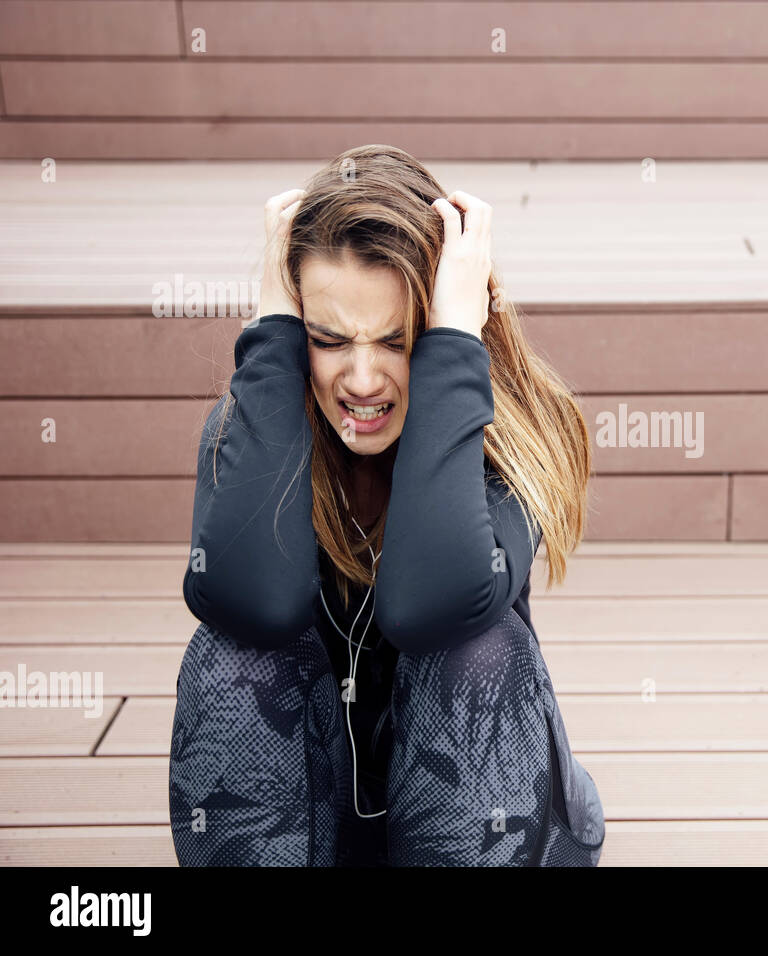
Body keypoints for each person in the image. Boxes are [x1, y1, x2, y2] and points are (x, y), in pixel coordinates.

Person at [169, 145, 606, 866]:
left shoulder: (516, 433)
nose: (363, 379)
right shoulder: (254, 423)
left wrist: (454, 350)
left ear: (447, 326)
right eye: (327, 338)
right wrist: (273, 339)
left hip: (484, 810)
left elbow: (432, 607)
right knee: (232, 652)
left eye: (398, 341)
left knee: (476, 649)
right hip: (310, 819)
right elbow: (254, 604)